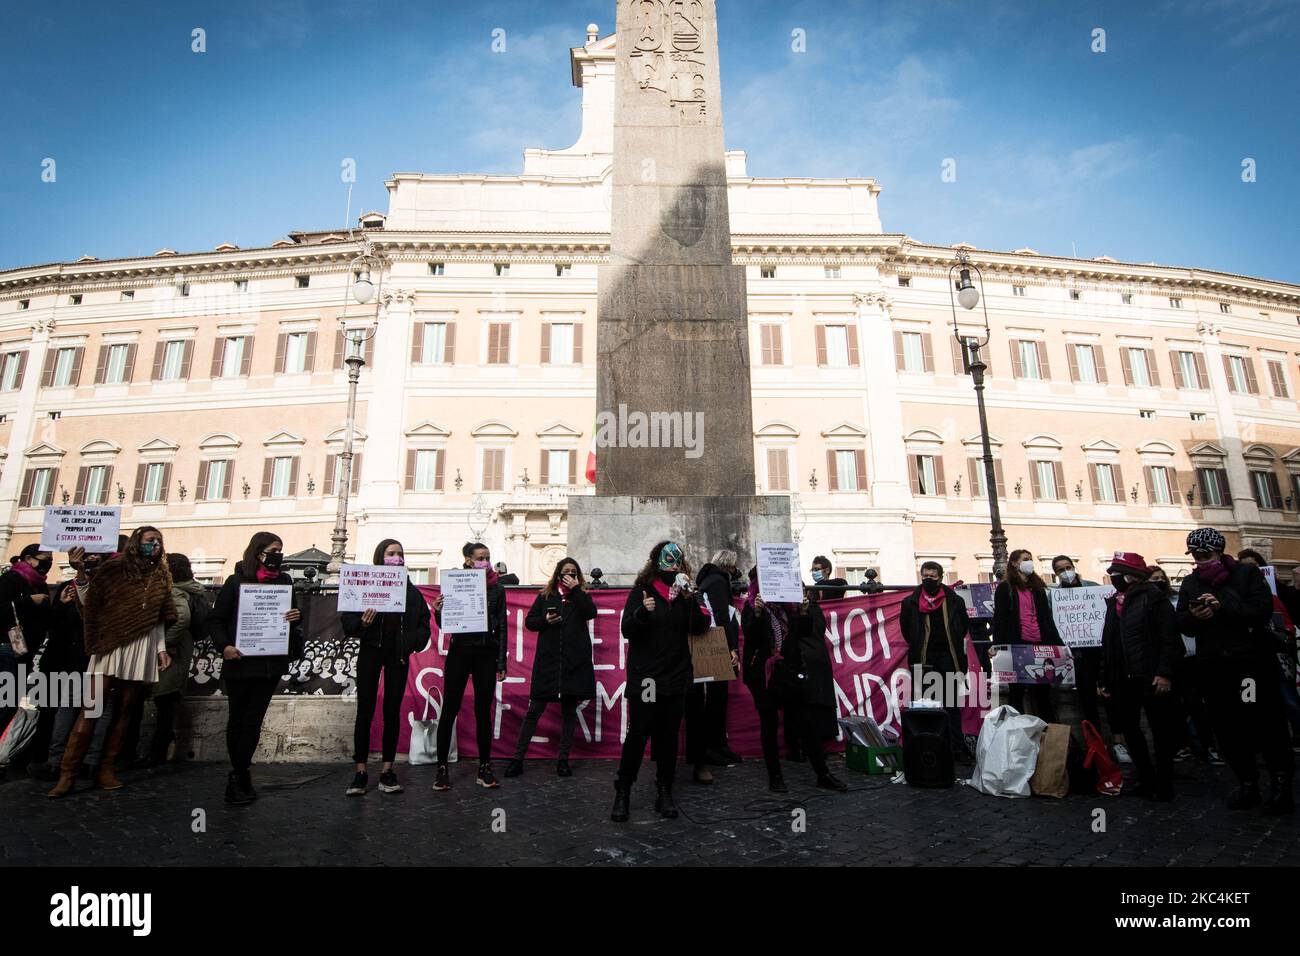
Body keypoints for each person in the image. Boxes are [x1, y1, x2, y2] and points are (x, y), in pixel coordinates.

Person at [47, 528, 177, 797]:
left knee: (125, 711)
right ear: (135, 544)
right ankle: (67, 774)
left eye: (158, 541)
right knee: (91, 708)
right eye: (149, 541)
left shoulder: (161, 574)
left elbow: (157, 618)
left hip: (143, 646)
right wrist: (81, 573)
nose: (154, 545)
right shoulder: (113, 569)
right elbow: (89, 604)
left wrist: (161, 649)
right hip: (112, 644)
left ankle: (105, 768)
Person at [1177, 528, 1293, 813]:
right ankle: (1247, 783)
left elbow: (1260, 611)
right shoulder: (1191, 582)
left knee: (1265, 724)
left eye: (1205, 555)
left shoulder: (1247, 574)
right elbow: (1181, 621)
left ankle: (1281, 786)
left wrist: (1222, 604)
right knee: (1228, 729)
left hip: (1250, 664)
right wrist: (1194, 616)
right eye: (1195, 555)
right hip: (1215, 667)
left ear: (1218, 552)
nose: (1200, 560)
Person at [610, 541, 711, 822]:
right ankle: (623, 791)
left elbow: (700, 627)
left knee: (668, 737)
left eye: (678, 559)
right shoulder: (642, 590)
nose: (674, 564)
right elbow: (627, 629)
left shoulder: (685, 594)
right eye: (668, 559)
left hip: (676, 674)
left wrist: (693, 599)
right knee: (639, 733)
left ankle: (664, 790)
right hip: (646, 676)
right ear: (656, 562)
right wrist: (642, 612)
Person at [210, 532, 304, 805]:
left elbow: (293, 617)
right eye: (274, 550)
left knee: (253, 721)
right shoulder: (236, 581)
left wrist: (295, 617)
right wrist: (225, 646)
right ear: (258, 552)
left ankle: (241, 772)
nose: (278, 555)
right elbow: (216, 620)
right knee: (237, 719)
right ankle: (239, 774)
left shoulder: (286, 581)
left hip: (268, 664)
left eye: (281, 550)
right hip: (240, 661)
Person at [741, 567, 848, 793]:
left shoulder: (789, 606)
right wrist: (759, 614)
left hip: (790, 670)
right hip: (764, 673)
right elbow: (752, 636)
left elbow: (805, 633)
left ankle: (822, 773)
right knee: (768, 724)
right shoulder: (751, 606)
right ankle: (775, 776)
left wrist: (803, 612)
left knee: (806, 722)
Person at [340, 538, 431, 796]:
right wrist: (364, 624)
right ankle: (360, 772)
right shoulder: (363, 585)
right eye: (391, 553)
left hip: (397, 655)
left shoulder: (410, 591)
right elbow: (348, 624)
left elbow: (424, 622)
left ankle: (387, 771)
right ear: (381, 556)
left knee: (392, 712)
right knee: (364, 712)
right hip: (370, 651)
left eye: (400, 554)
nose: (397, 558)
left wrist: (412, 642)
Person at [1097, 552, 1183, 800]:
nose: (1112, 578)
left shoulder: (1154, 598)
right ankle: (1146, 777)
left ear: (1131, 576)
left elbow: (1170, 639)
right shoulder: (1114, 603)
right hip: (1123, 678)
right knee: (1130, 729)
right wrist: (1105, 678)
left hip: (1151, 676)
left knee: (1161, 731)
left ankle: (1164, 782)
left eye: (1116, 573)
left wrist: (1164, 673)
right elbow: (1108, 644)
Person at [505, 556, 598, 778]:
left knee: (568, 713)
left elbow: (590, 613)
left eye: (573, 573)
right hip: (548, 664)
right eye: (565, 572)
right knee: (534, 710)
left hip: (572, 664)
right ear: (557, 574)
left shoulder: (581, 596)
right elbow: (530, 622)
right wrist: (546, 620)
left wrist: (576, 590)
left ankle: (563, 760)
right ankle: (517, 759)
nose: (569, 575)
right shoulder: (546, 596)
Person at [33, 547, 115, 780]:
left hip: (99, 657)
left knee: (97, 709)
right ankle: (56, 759)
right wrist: (60, 604)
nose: (90, 558)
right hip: (71, 660)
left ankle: (89, 760)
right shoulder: (66, 587)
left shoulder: (109, 588)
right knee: (66, 708)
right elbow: (54, 625)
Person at [431, 542, 507, 792]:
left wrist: (501, 661)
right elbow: (446, 624)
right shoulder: (455, 581)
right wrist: (438, 612)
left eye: (487, 557)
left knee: (483, 711)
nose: (484, 562)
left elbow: (503, 627)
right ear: (468, 560)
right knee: (450, 707)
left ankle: (484, 766)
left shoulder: (498, 587)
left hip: (486, 652)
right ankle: (442, 769)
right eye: (480, 558)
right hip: (461, 650)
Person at [899, 561, 971, 764]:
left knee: (951, 705)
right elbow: (907, 631)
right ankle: (929, 748)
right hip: (924, 659)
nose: (928, 580)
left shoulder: (954, 600)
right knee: (927, 706)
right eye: (925, 576)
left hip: (949, 657)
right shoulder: (910, 602)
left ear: (940, 577)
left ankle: (956, 748)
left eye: (932, 576)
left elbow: (962, 627)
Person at [1154, 564, 1222, 766]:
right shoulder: (1152, 604)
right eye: (1154, 578)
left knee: (1198, 705)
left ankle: (1207, 746)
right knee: (1176, 709)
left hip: (1193, 656)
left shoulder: (1178, 599)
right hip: (1172, 661)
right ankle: (1184, 745)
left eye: (1161, 577)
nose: (1159, 581)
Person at [141, 553, 204, 766]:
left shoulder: (176, 590)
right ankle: (162, 746)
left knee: (164, 699)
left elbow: (182, 617)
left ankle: (158, 750)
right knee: (167, 700)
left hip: (173, 652)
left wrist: (164, 646)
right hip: (180, 650)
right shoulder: (190, 588)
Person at [684, 549, 742, 783]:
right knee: (717, 698)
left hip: (707, 640)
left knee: (715, 697)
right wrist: (731, 647)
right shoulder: (719, 581)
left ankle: (717, 745)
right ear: (729, 565)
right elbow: (721, 614)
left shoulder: (708, 579)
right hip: (715, 642)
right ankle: (714, 746)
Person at [1236, 549, 1300, 746]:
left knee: (1288, 698)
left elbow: (1288, 622)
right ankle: (1258, 738)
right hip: (1248, 659)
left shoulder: (1274, 595)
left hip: (1275, 655)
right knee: (1250, 698)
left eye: (1253, 566)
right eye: (1244, 567)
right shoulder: (1234, 597)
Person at [992, 549, 1064, 722]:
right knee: (1016, 693)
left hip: (1041, 645)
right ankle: (1017, 735)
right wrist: (997, 645)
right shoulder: (1005, 588)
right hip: (1017, 646)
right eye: (1025, 559)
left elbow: (1047, 619)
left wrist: (1059, 645)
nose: (1029, 562)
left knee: (1043, 695)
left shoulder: (1038, 589)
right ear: (1015, 563)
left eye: (1031, 559)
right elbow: (1000, 619)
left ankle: (1049, 739)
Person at [0, 544, 53, 752]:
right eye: (44, 559)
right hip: (6, 648)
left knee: (10, 704)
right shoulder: (10, 579)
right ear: (29, 558)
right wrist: (27, 602)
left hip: (25, 652)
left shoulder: (39, 585)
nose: (48, 564)